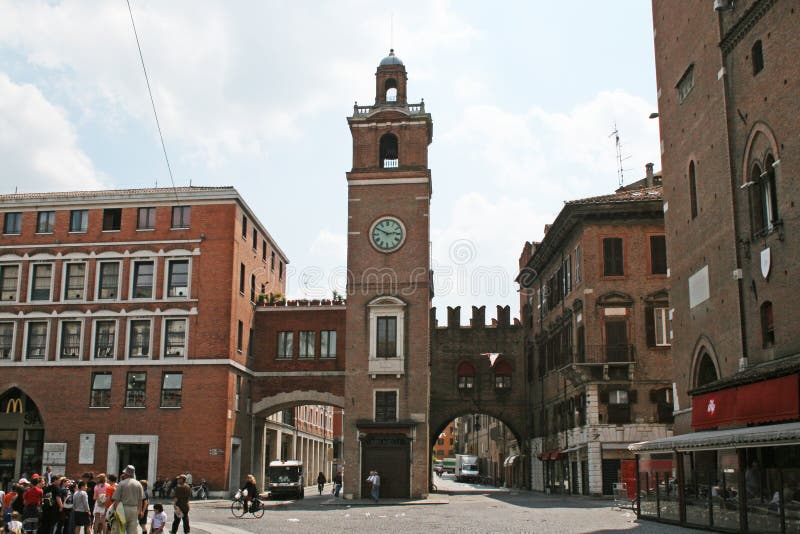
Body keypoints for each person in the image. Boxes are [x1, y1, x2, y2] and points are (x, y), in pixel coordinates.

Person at [112, 465, 145, 534]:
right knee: (132, 530)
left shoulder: (121, 483)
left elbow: (116, 499)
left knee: (120, 530)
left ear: (126, 473)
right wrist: (140, 510)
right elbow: (140, 500)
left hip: (123, 508)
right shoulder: (138, 484)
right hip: (134, 509)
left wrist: (115, 510)